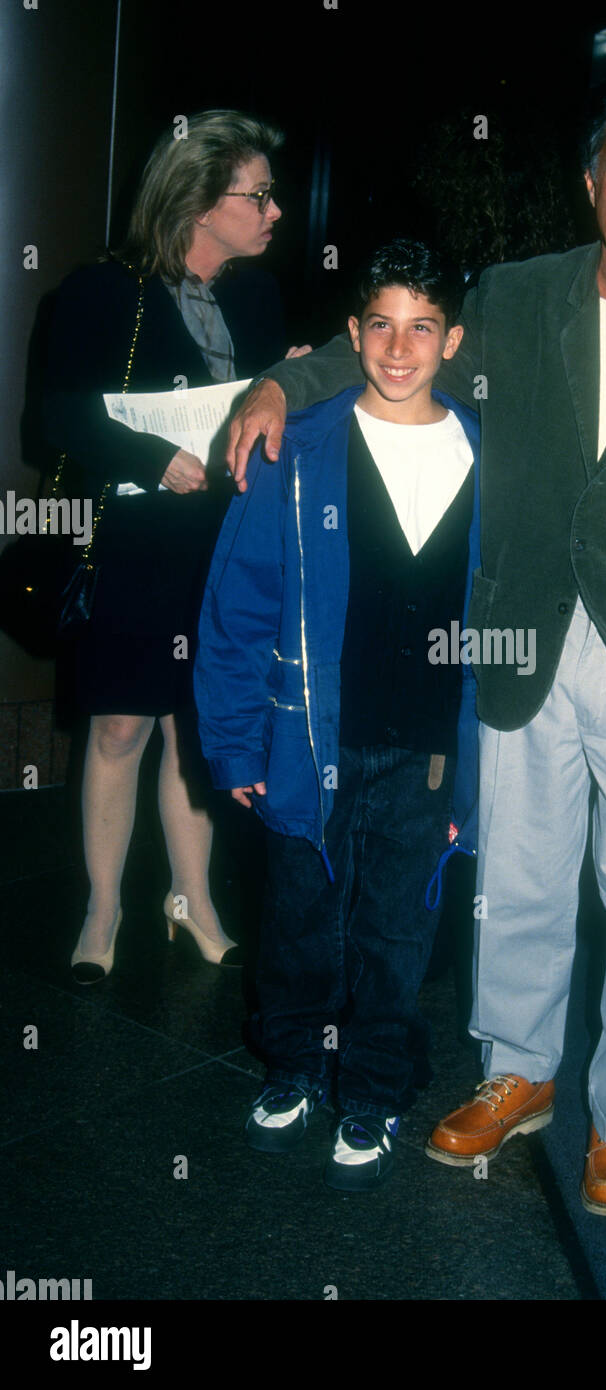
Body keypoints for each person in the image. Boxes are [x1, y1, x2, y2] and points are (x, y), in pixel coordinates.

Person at [225, 76, 606, 1216]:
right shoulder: (516, 294)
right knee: (521, 880)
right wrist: (275, 383)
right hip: (525, 640)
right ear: (590, 180)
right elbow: (394, 357)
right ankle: (519, 1070)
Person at [194, 240, 480, 1192]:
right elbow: (237, 606)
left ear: (453, 340)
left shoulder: (487, 457)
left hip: (429, 748)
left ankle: (372, 1089)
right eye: (382, 325)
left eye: (423, 327)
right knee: (303, 919)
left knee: (399, 929)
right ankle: (293, 1066)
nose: (400, 348)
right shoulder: (301, 447)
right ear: (354, 335)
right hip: (309, 736)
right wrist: (235, 741)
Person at [43, 109, 309, 984]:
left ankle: (191, 900)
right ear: (199, 201)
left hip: (225, 546)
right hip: (135, 544)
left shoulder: (258, 297)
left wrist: (294, 383)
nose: (276, 211)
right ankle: (103, 907)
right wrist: (155, 458)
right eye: (259, 196)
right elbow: (50, 418)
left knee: (198, 729)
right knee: (120, 725)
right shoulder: (101, 292)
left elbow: (268, 417)